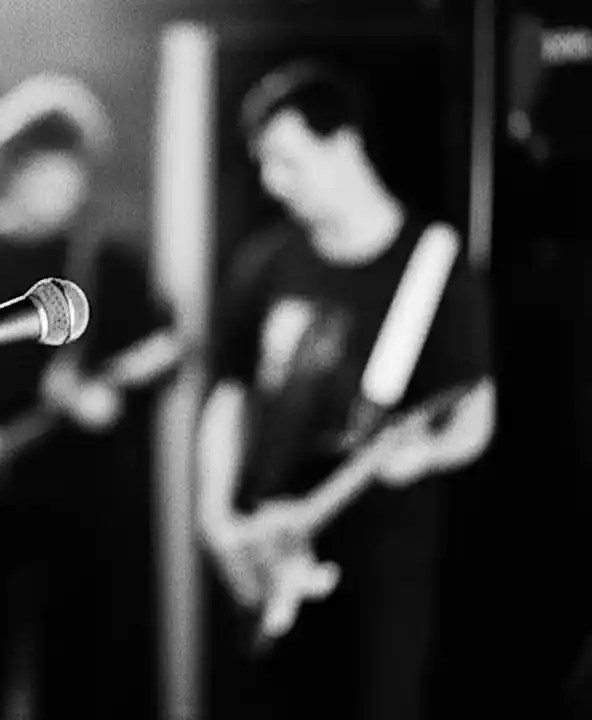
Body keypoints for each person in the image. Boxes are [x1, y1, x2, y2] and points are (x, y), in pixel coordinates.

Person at [196, 61, 496, 720]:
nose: (275, 183)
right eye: (264, 165)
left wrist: (426, 455)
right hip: (269, 548)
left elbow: (474, 415)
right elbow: (227, 395)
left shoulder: (434, 268)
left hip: (381, 565)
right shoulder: (267, 262)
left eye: (288, 161)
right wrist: (217, 521)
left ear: (345, 143)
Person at [0, 74, 179, 720]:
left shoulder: (109, 263)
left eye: (67, 177)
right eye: (41, 176)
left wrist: (112, 403)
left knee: (79, 674)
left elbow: (160, 355)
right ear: (10, 173)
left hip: (80, 509)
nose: (57, 192)